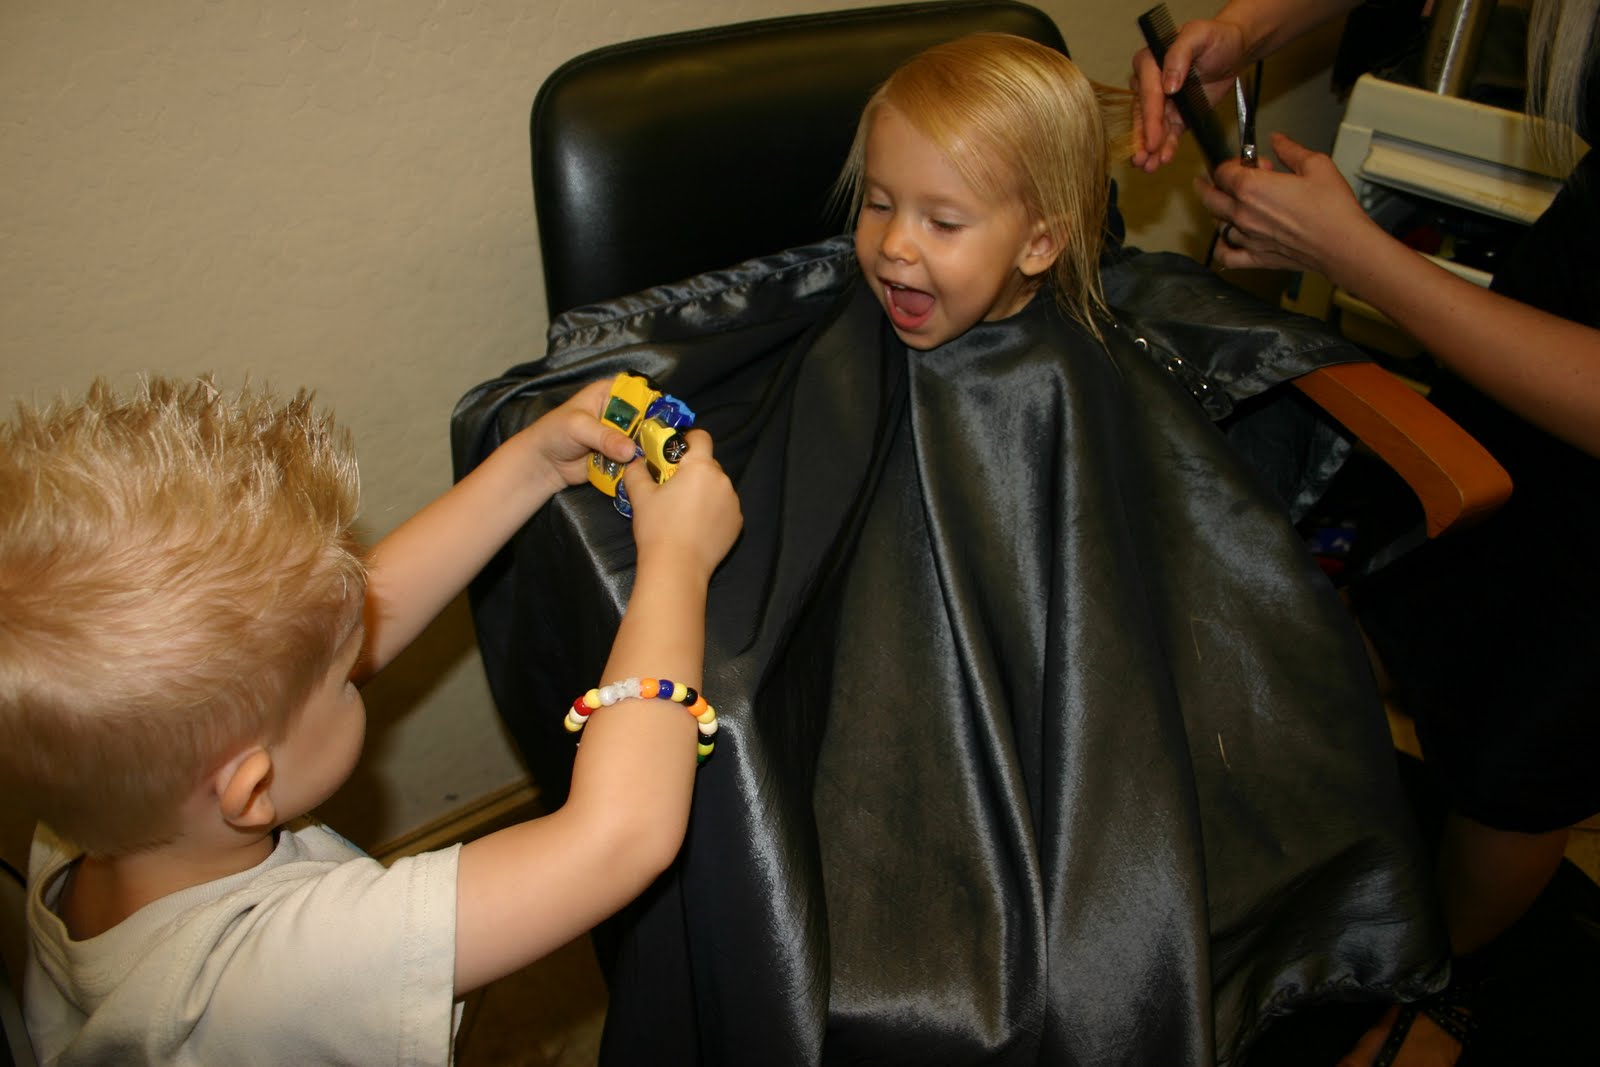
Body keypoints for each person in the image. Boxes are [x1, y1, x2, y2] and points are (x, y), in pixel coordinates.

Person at [454, 32, 1445, 1066]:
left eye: (942, 219)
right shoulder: (854, 331)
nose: (892, 247)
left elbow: (1102, 628)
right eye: (878, 202)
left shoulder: (1064, 388)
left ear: (1037, 242)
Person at [0, 373, 741, 1064]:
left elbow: (311, 647)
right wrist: (677, 558)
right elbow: (618, 837)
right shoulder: (283, 970)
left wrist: (536, 464)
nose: (361, 663)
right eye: (344, 681)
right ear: (250, 790)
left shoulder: (82, 814)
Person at [1133, 2, 1600, 1064]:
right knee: (1434, 596)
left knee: (1528, 743)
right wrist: (1252, 27)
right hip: (1556, 314)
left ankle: (1436, 979)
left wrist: (1359, 259)